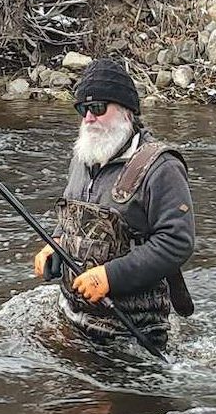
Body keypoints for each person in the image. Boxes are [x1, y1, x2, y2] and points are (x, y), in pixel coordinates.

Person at [32, 58, 195, 349]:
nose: (88, 118)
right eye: (82, 109)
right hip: (72, 313)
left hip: (134, 328)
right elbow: (70, 212)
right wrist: (55, 243)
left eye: (97, 108)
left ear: (126, 112)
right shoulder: (82, 156)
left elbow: (177, 242)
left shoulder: (162, 167)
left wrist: (111, 277)